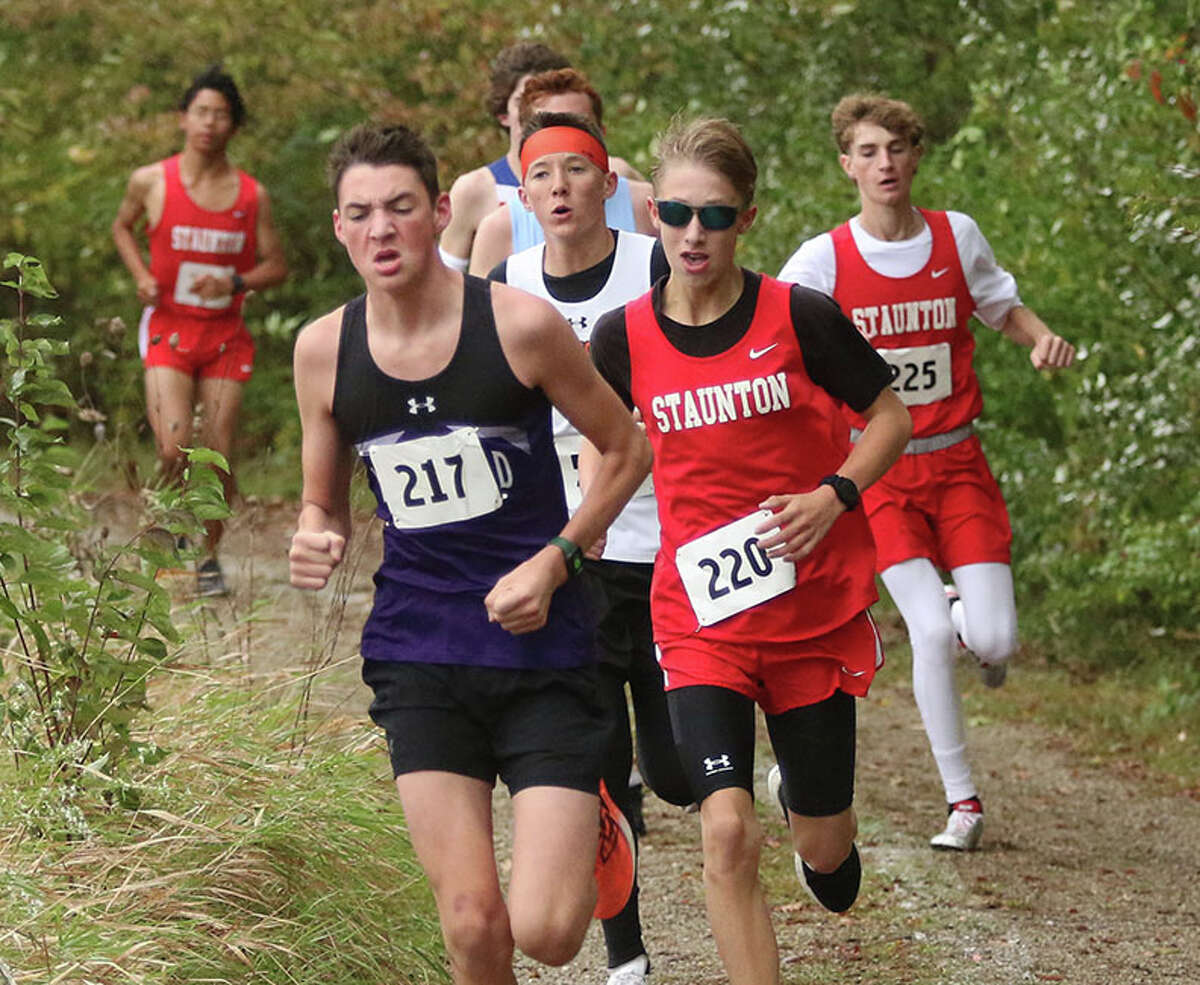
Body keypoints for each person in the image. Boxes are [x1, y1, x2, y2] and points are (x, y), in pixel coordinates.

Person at [288, 121, 649, 985]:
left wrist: (556, 559)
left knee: (548, 932)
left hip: (543, 649)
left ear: (440, 211)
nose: (382, 229)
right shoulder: (323, 350)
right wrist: (314, 531)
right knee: (472, 923)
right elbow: (322, 501)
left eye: (401, 207)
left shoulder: (519, 325)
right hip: (421, 651)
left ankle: (600, 823)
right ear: (339, 228)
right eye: (360, 213)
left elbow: (627, 447)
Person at [589, 116, 912, 985]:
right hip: (701, 620)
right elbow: (605, 449)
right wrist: (579, 532)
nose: (694, 234)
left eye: (716, 216)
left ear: (747, 219)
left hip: (811, 613)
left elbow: (891, 418)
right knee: (726, 830)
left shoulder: (799, 316)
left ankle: (811, 818)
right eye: (677, 214)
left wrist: (833, 494)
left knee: (828, 855)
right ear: (653, 213)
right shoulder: (620, 337)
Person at [778, 93, 1075, 852]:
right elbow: (776, 336)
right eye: (868, 152)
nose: (885, 164)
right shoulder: (823, 260)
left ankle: (970, 622)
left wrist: (1042, 338)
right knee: (932, 633)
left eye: (897, 149)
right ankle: (962, 800)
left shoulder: (956, 236)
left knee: (996, 640)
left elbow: (1001, 306)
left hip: (958, 463)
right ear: (847, 165)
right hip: (876, 475)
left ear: (916, 158)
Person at [487, 110, 690, 985]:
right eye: (542, 174)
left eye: (577, 169)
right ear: (524, 195)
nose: (560, 186)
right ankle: (626, 951)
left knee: (679, 773)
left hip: (672, 546)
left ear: (610, 186)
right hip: (569, 557)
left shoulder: (654, 265)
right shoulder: (507, 283)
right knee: (602, 768)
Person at [112, 64, 288, 596]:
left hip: (224, 337)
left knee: (215, 454)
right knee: (174, 448)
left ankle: (208, 556)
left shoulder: (251, 195)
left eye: (222, 115)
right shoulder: (150, 181)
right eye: (201, 112)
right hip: (168, 328)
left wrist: (235, 280)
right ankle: (165, 528)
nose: (210, 123)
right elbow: (122, 227)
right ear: (183, 118)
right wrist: (141, 276)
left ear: (234, 126)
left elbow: (276, 265)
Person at [438, 43, 646, 272]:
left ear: (609, 184)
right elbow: (449, 282)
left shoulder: (632, 189)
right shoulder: (486, 208)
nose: (559, 186)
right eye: (521, 99)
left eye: (577, 123)